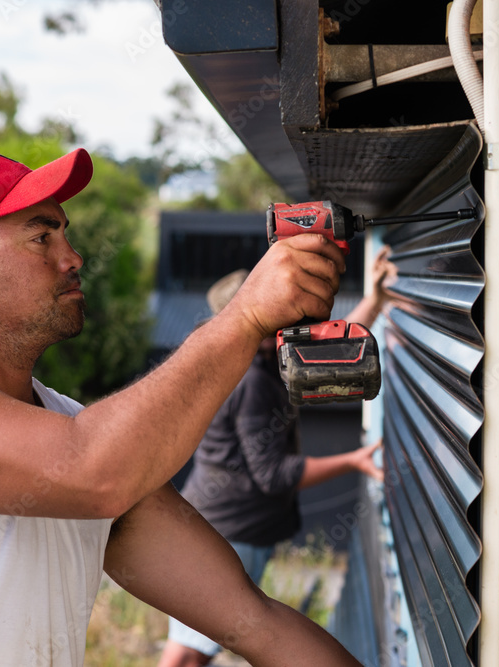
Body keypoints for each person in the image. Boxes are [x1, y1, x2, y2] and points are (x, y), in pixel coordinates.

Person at [0, 143, 363, 666]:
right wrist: (244, 317)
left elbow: (253, 623)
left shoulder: (70, 438)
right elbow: (93, 468)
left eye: (64, 233)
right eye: (41, 237)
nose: (74, 257)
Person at [158, 249, 396, 667]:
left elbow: (333, 356)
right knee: (189, 655)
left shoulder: (261, 360)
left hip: (229, 527)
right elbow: (273, 474)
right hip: (228, 531)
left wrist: (374, 301)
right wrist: (354, 460)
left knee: (198, 649)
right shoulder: (252, 380)